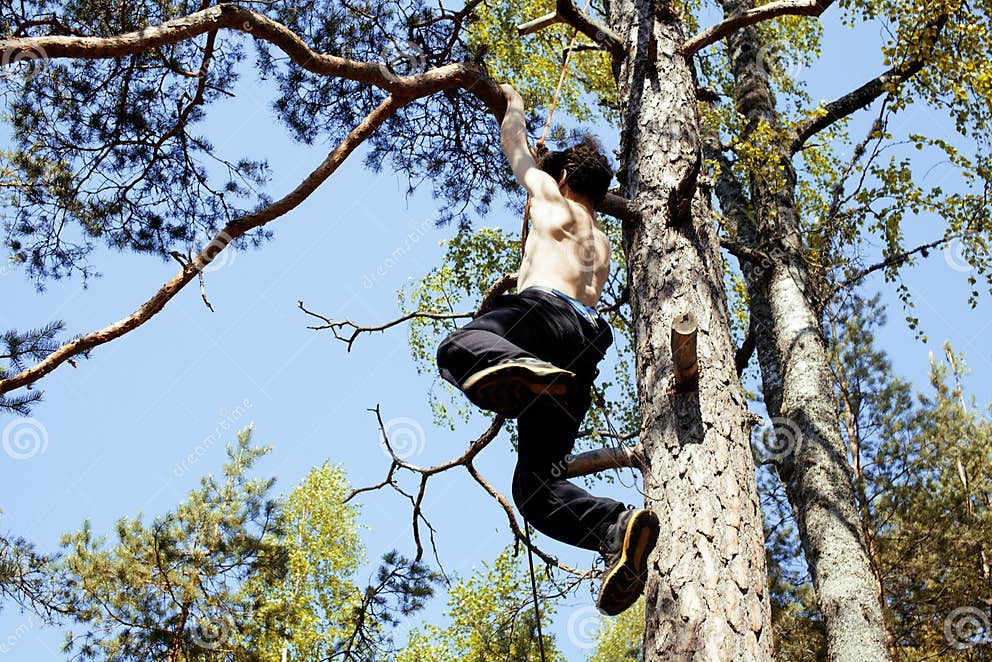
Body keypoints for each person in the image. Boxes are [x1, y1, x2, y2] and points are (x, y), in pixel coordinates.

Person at [435, 83, 659, 616]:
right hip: (580, 357)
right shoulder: (599, 241)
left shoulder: (552, 200)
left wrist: (511, 101)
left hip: (546, 320)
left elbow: (513, 145)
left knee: (458, 347)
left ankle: (519, 368)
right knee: (534, 490)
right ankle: (615, 526)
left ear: (561, 180)